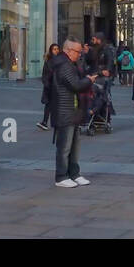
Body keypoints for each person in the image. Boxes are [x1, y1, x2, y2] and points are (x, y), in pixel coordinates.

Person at [47, 36, 96, 188]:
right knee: (65, 147)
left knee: (75, 146)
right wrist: (89, 81)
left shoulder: (70, 63)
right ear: (68, 51)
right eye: (77, 52)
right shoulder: (63, 65)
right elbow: (75, 85)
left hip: (72, 110)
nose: (79, 54)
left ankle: (74, 173)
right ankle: (61, 176)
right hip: (64, 111)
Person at [37, 43, 62, 130]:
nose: (56, 51)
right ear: (51, 51)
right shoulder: (48, 61)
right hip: (50, 86)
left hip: (58, 86)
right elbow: (44, 74)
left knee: (57, 105)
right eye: (54, 49)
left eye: (57, 49)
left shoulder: (60, 61)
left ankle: (56, 122)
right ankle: (45, 122)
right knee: (49, 105)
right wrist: (46, 83)